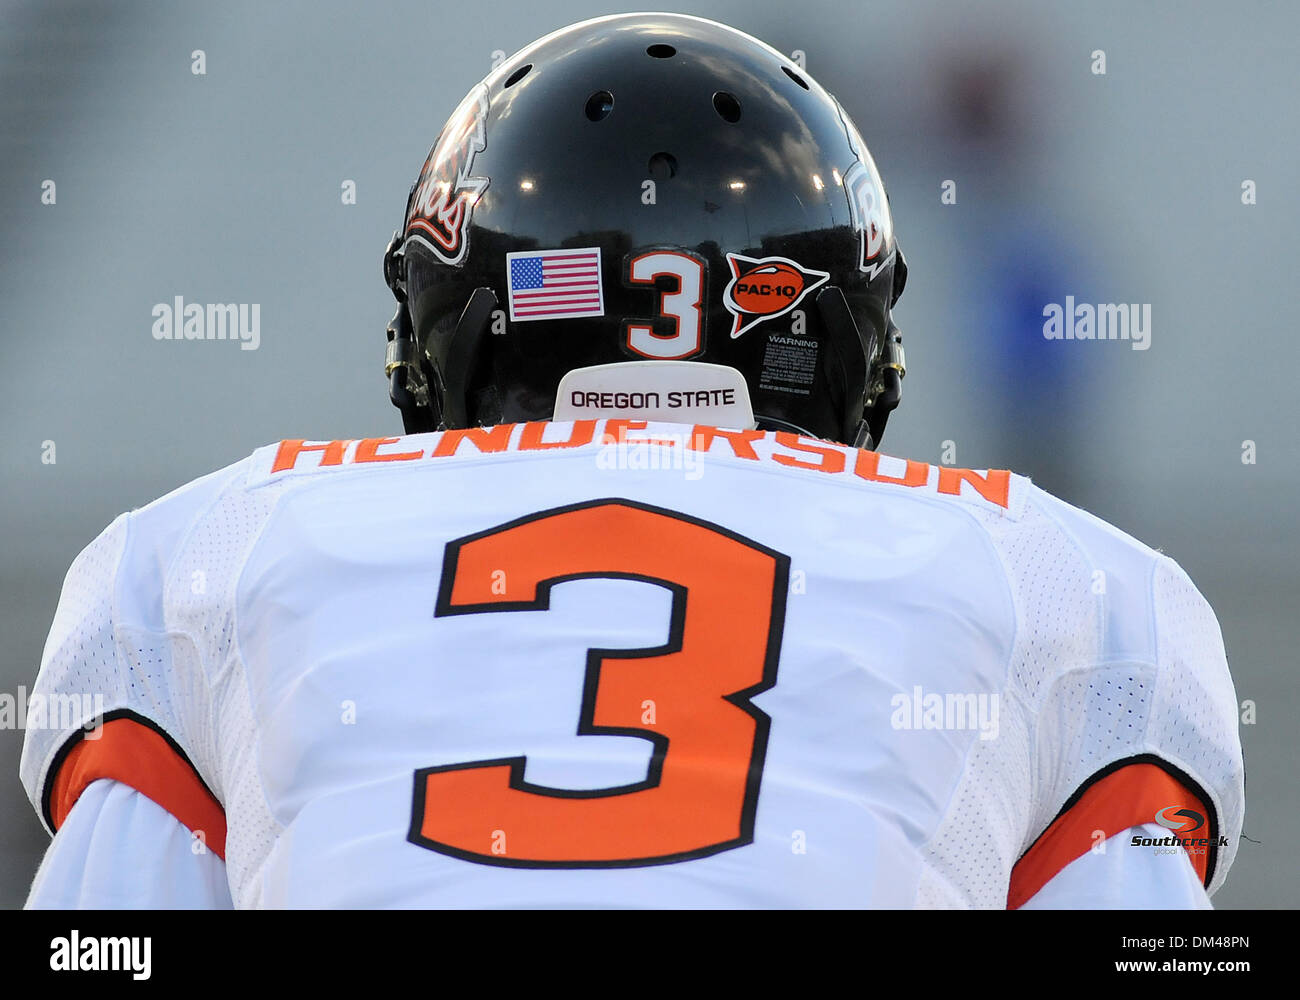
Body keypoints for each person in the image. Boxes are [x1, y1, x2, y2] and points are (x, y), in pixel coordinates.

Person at [21, 12, 1242, 908]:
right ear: (847, 331)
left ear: (449, 309)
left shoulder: (202, 555)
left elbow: (110, 941)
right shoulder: (1068, 581)